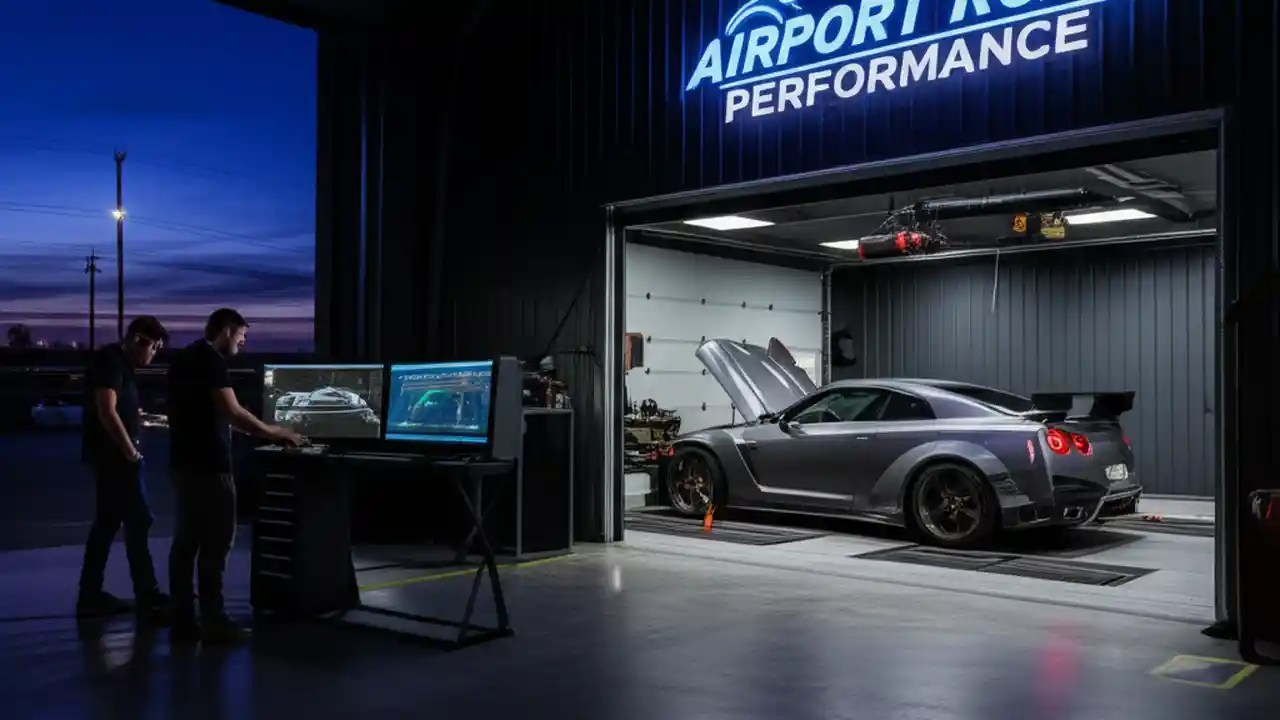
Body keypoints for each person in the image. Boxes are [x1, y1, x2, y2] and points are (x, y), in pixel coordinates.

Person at [167, 308, 304, 644]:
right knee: (217, 544)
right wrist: (276, 432)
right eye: (242, 335)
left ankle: (184, 620)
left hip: (182, 464)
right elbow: (232, 411)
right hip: (211, 466)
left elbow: (201, 412)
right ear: (227, 330)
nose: (244, 341)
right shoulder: (213, 361)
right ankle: (215, 620)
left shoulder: (183, 359)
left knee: (186, 544)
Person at [77, 316, 171, 620]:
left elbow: (121, 409)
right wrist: (131, 453)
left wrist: (146, 419)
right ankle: (148, 595)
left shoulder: (120, 365)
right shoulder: (110, 361)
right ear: (138, 339)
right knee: (139, 520)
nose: (154, 354)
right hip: (115, 459)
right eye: (154, 347)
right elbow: (106, 410)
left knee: (107, 525)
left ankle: (91, 595)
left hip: (112, 458)